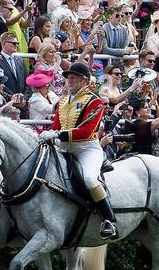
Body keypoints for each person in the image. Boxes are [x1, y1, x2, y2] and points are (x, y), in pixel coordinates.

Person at [38, 61, 118, 239]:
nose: (70, 80)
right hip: (64, 149)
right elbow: (56, 125)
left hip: (87, 149)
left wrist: (57, 135)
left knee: (89, 178)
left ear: (85, 81)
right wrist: (48, 133)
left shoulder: (95, 102)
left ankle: (109, 220)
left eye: (74, 78)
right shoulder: (63, 101)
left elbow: (86, 131)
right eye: (68, 78)